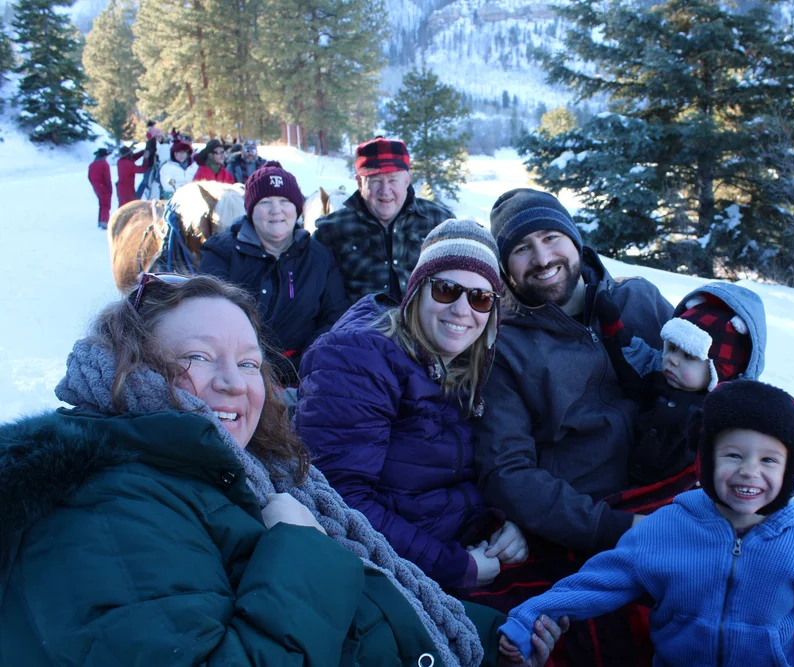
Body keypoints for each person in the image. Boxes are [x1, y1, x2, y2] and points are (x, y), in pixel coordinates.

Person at [0, 273, 567, 667]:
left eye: (249, 362)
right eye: (197, 357)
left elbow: (371, 591)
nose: (232, 381)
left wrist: (490, 638)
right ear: (132, 363)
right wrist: (300, 546)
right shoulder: (101, 511)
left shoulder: (258, 472)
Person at [498, 380, 794, 667]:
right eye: (733, 454)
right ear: (705, 456)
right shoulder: (670, 526)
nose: (750, 471)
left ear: (793, 466)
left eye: (769, 460)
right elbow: (597, 583)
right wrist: (529, 617)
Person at [296, 218, 532, 591]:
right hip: (391, 572)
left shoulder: (467, 362)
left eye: (480, 297)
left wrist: (503, 526)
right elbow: (338, 498)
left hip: (461, 547)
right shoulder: (360, 357)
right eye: (445, 290)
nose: (461, 308)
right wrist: (454, 567)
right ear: (416, 291)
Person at [474, 187, 674, 555]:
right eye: (521, 249)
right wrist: (613, 526)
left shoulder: (639, 300)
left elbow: (715, 378)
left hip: (673, 492)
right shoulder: (504, 346)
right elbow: (506, 470)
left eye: (551, 237)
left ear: (575, 240)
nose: (542, 258)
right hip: (591, 519)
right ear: (505, 267)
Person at [594, 282, 767, 486]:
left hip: (680, 496)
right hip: (630, 482)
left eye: (689, 356)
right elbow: (633, 365)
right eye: (672, 348)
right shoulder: (657, 380)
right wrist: (614, 329)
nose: (673, 360)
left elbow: (760, 452)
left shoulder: (724, 416)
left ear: (719, 371)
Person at [199, 162, 351, 388]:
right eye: (265, 202)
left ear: (297, 209)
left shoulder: (319, 258)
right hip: (235, 376)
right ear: (250, 210)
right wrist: (248, 366)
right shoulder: (221, 254)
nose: (276, 210)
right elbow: (208, 317)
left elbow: (334, 316)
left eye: (285, 201)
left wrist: (303, 366)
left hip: (305, 375)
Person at [313, 136, 454, 303]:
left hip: (424, 327)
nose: (385, 191)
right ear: (359, 182)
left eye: (393, 180)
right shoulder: (330, 231)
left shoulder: (441, 223)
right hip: (358, 327)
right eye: (375, 180)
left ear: (407, 179)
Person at [136, 120, 163, 199]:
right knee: (145, 181)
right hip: (150, 163)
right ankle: (137, 197)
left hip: (155, 163)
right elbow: (149, 151)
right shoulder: (151, 140)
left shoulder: (154, 138)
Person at [88, 147, 113, 229]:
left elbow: (89, 177)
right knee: (106, 205)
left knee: (101, 204)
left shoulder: (92, 165)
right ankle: (104, 222)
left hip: (96, 187)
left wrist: (94, 185)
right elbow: (107, 178)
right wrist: (110, 188)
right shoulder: (104, 164)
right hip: (104, 188)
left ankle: (100, 221)